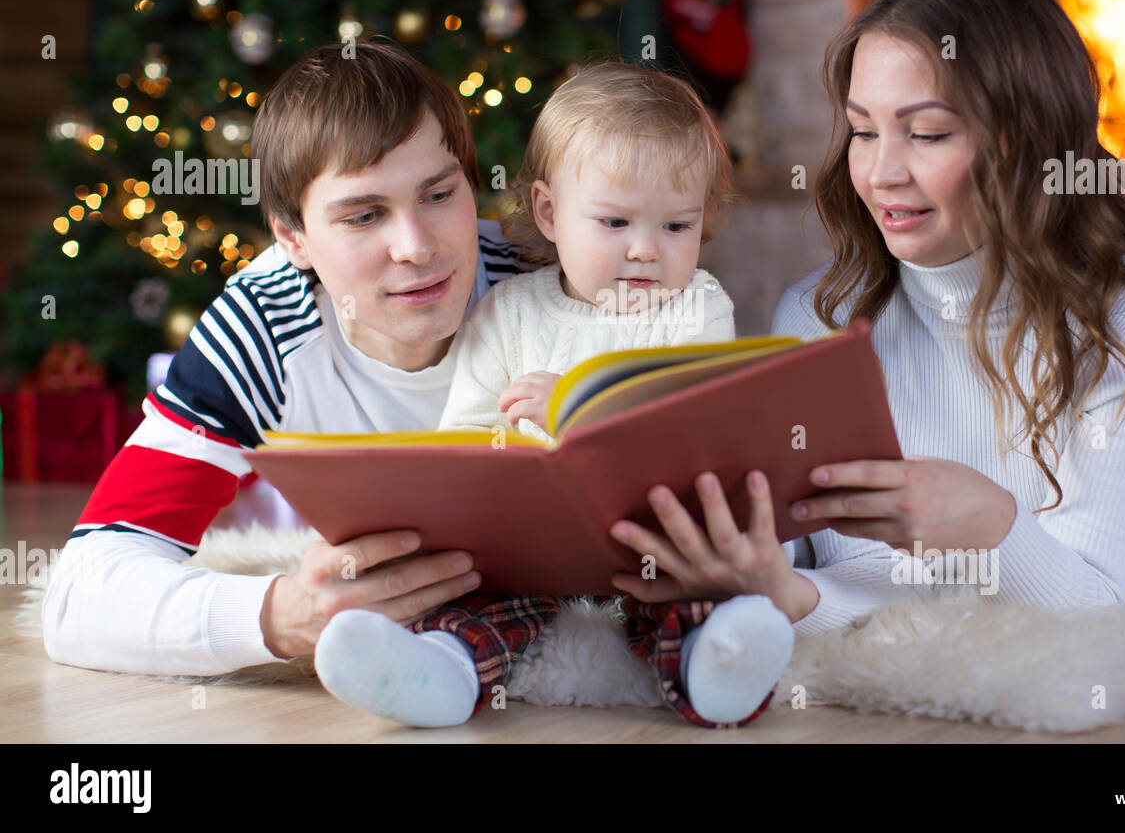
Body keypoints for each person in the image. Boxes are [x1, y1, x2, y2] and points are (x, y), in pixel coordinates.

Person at [747, 0, 1125, 614]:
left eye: (926, 133)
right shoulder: (815, 318)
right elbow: (838, 568)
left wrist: (990, 523)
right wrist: (783, 588)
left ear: (1024, 144)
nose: (879, 172)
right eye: (864, 130)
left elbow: (1093, 600)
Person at [313, 62, 797, 729]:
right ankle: (442, 672)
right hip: (534, 552)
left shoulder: (698, 307)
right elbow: (464, 440)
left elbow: (702, 432)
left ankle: (717, 668)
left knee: (698, 593)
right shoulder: (509, 313)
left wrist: (574, 409)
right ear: (549, 211)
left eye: (677, 227)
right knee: (479, 603)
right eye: (615, 222)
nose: (645, 252)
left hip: (657, 541)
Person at [42, 40, 527, 675]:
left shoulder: (548, 283)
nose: (415, 247)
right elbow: (80, 595)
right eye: (363, 215)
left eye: (438, 195)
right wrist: (279, 615)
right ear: (292, 237)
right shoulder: (262, 329)